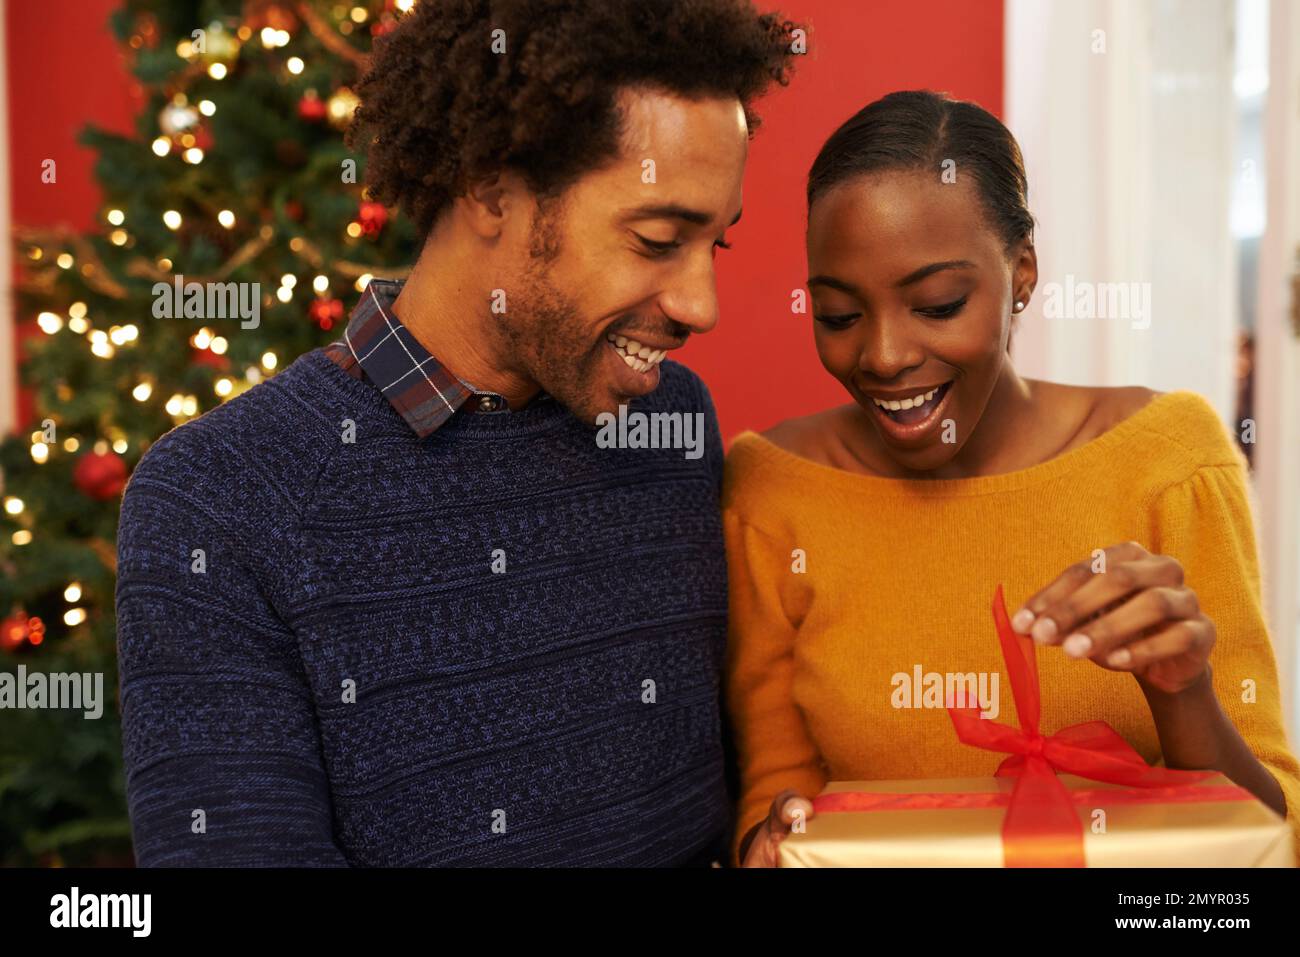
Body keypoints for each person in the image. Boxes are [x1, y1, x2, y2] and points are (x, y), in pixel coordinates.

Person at [115, 0, 800, 866]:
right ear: (489, 188)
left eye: (717, 244)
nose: (701, 303)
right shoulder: (221, 498)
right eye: (658, 238)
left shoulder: (669, 425)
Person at [724, 89, 1300, 867]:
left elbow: (1273, 838)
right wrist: (771, 838)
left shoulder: (1169, 460)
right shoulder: (771, 493)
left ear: (1022, 272)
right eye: (837, 314)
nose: (884, 354)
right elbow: (776, 790)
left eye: (938, 303)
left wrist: (1182, 692)